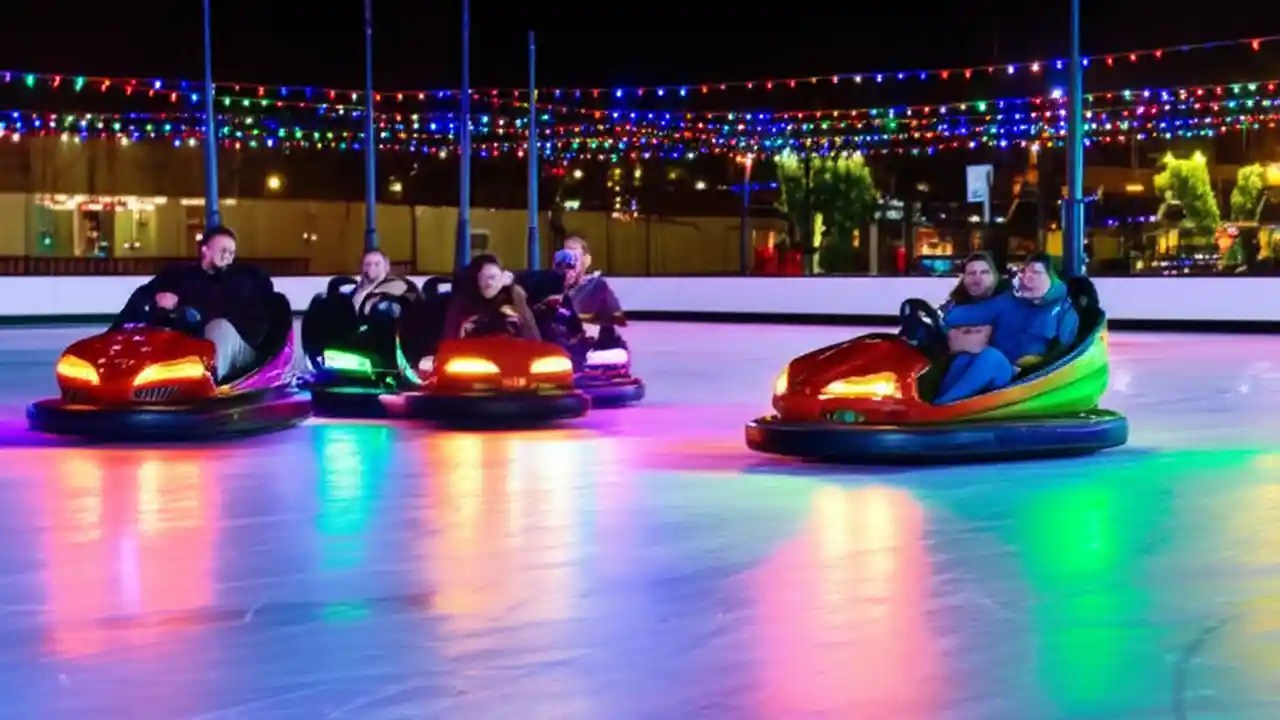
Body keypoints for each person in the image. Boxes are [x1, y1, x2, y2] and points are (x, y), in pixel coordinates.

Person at [933, 253, 1079, 404]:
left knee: (991, 356)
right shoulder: (1008, 301)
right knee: (965, 358)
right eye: (1024, 272)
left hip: (1032, 379)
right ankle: (934, 404)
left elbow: (1066, 353)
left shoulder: (1064, 311)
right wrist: (940, 314)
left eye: (1036, 273)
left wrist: (1032, 366)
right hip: (1002, 373)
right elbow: (966, 315)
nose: (1027, 278)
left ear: (1052, 278)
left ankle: (943, 406)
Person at [148, 225, 274, 381]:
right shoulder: (183, 276)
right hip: (193, 345)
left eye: (231, 253)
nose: (228, 256)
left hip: (239, 347)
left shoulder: (241, 280)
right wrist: (162, 303)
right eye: (223, 251)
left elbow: (225, 314)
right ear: (205, 250)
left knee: (219, 327)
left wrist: (183, 310)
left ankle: (209, 385)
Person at [443, 254, 540, 340]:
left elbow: (532, 337)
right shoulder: (461, 305)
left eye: (493, 277)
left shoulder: (514, 299)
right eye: (482, 277)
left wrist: (515, 292)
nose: (488, 282)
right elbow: (451, 339)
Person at [939, 252, 1008, 357]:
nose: (977, 278)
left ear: (994, 276)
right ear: (964, 279)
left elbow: (948, 320)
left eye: (984, 272)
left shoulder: (1005, 300)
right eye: (971, 273)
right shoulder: (955, 301)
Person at [561, 236, 626, 346]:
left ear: (586, 260)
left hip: (588, 344)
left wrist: (595, 327)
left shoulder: (596, 286)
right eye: (566, 259)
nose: (570, 265)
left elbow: (615, 320)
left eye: (575, 259)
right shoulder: (551, 284)